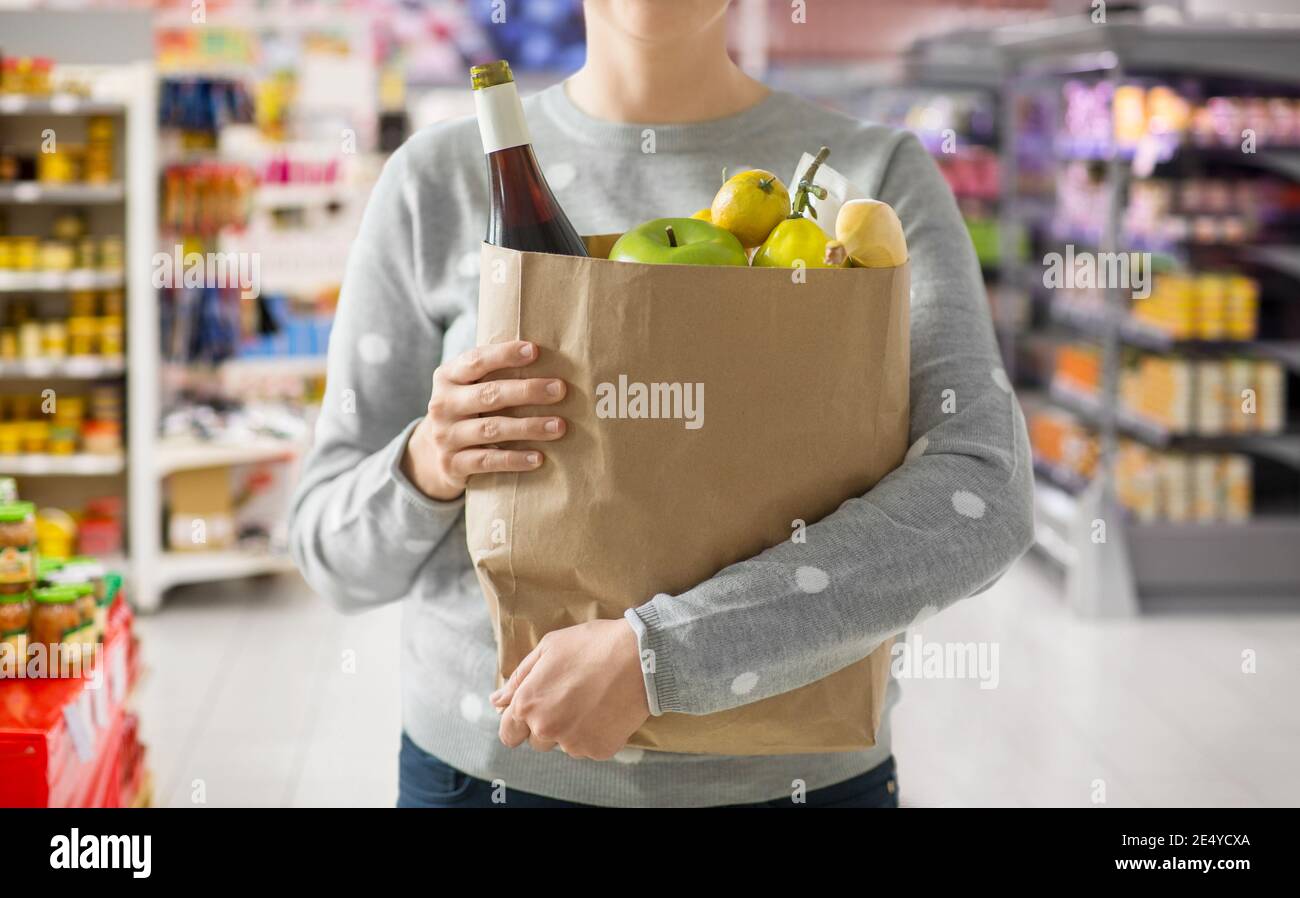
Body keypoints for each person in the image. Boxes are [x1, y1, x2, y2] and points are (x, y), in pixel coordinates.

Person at [290, 0, 1034, 808]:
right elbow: (328, 554)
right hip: (489, 772)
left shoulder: (871, 184)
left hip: (796, 782)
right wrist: (428, 461)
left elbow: (982, 492)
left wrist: (663, 658)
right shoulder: (434, 180)